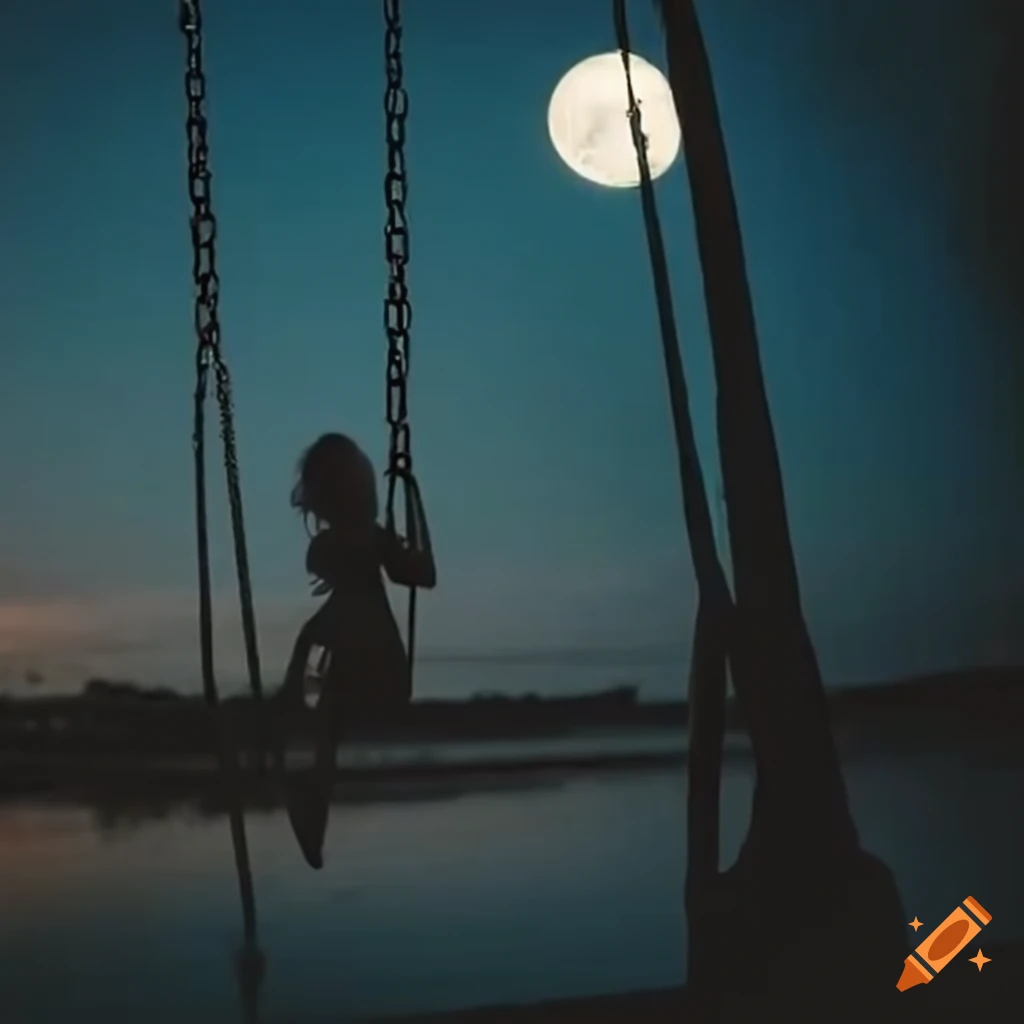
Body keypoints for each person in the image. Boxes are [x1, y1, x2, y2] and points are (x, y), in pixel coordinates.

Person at [279, 432, 436, 868]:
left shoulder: (346, 544)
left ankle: (310, 809)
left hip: (358, 660)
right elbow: (422, 572)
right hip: (364, 657)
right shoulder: (362, 541)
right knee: (319, 719)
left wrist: (409, 494)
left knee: (317, 713)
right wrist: (410, 502)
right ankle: (312, 815)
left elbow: (421, 574)